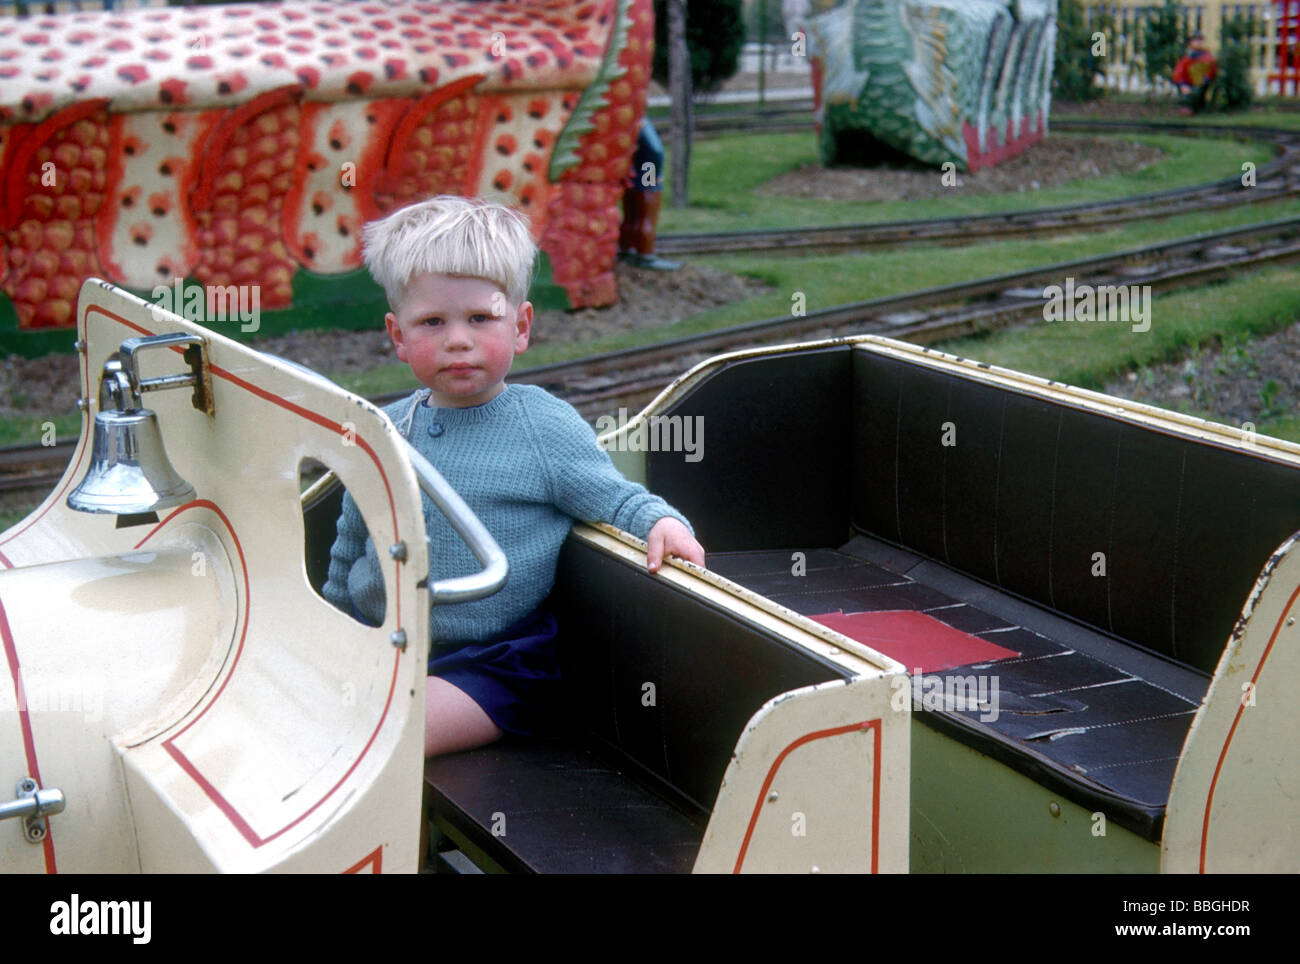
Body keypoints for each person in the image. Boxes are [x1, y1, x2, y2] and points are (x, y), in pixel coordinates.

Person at [322, 195, 706, 758]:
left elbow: (615, 498)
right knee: (290, 703)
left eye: (481, 318)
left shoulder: (539, 426)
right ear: (398, 336)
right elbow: (350, 544)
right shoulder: (385, 430)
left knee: (374, 733)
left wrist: (662, 520)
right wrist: (330, 628)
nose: (458, 339)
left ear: (520, 325)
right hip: (385, 643)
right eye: (432, 322)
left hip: (492, 664)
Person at [617, 118, 681, 270]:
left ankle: (626, 248)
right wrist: (652, 178)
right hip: (646, 168)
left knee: (632, 213)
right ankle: (645, 254)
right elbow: (655, 151)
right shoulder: (640, 122)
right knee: (646, 213)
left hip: (634, 168)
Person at [1173, 31, 1218, 114]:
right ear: (1191, 42)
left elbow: (1211, 69)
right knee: (1186, 93)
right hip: (1187, 83)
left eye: (1200, 40)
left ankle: (1196, 107)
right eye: (1196, 40)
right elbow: (1179, 71)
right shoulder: (1186, 57)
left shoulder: (1207, 56)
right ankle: (1187, 106)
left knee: (1198, 92)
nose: (1199, 42)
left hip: (1201, 83)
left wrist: (1206, 79)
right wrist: (1181, 84)